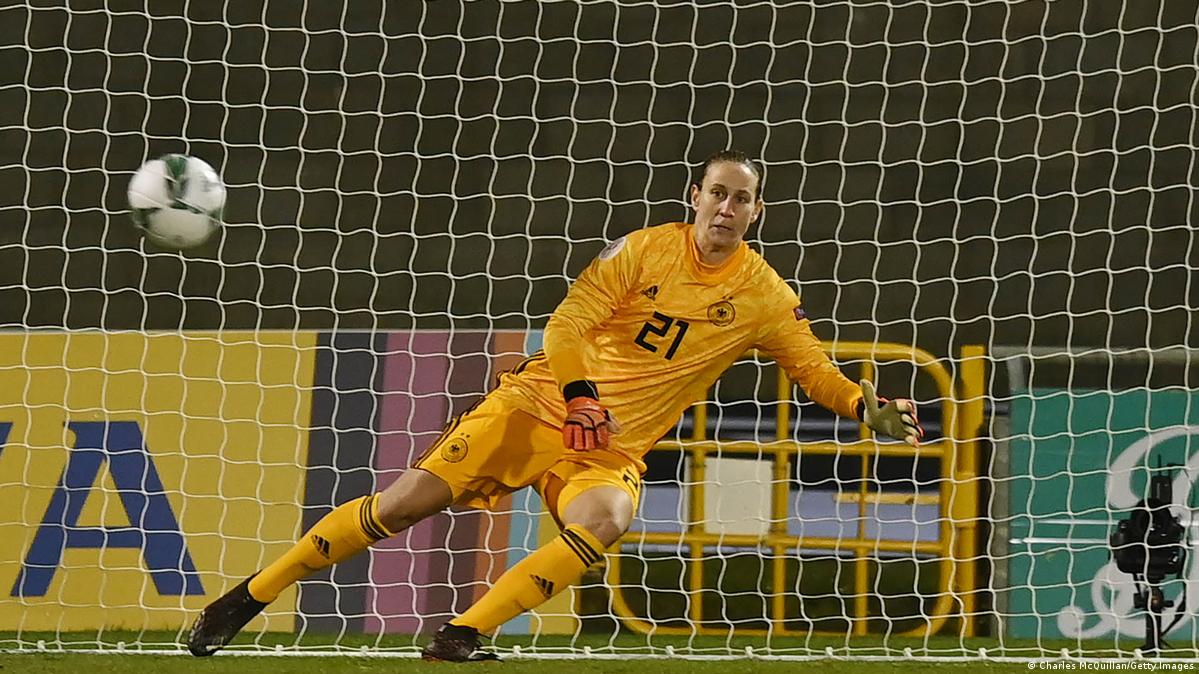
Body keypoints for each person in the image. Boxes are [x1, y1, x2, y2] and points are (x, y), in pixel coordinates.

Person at [186, 149, 922, 661]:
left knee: (606, 519)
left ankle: (461, 635)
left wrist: (864, 405)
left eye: (740, 197)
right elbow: (566, 324)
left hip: (608, 447)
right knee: (403, 505)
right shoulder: (640, 251)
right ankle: (248, 598)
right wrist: (577, 395)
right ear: (692, 199)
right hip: (540, 405)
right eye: (716, 192)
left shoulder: (764, 296)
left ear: (756, 212)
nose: (726, 206)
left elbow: (810, 367)